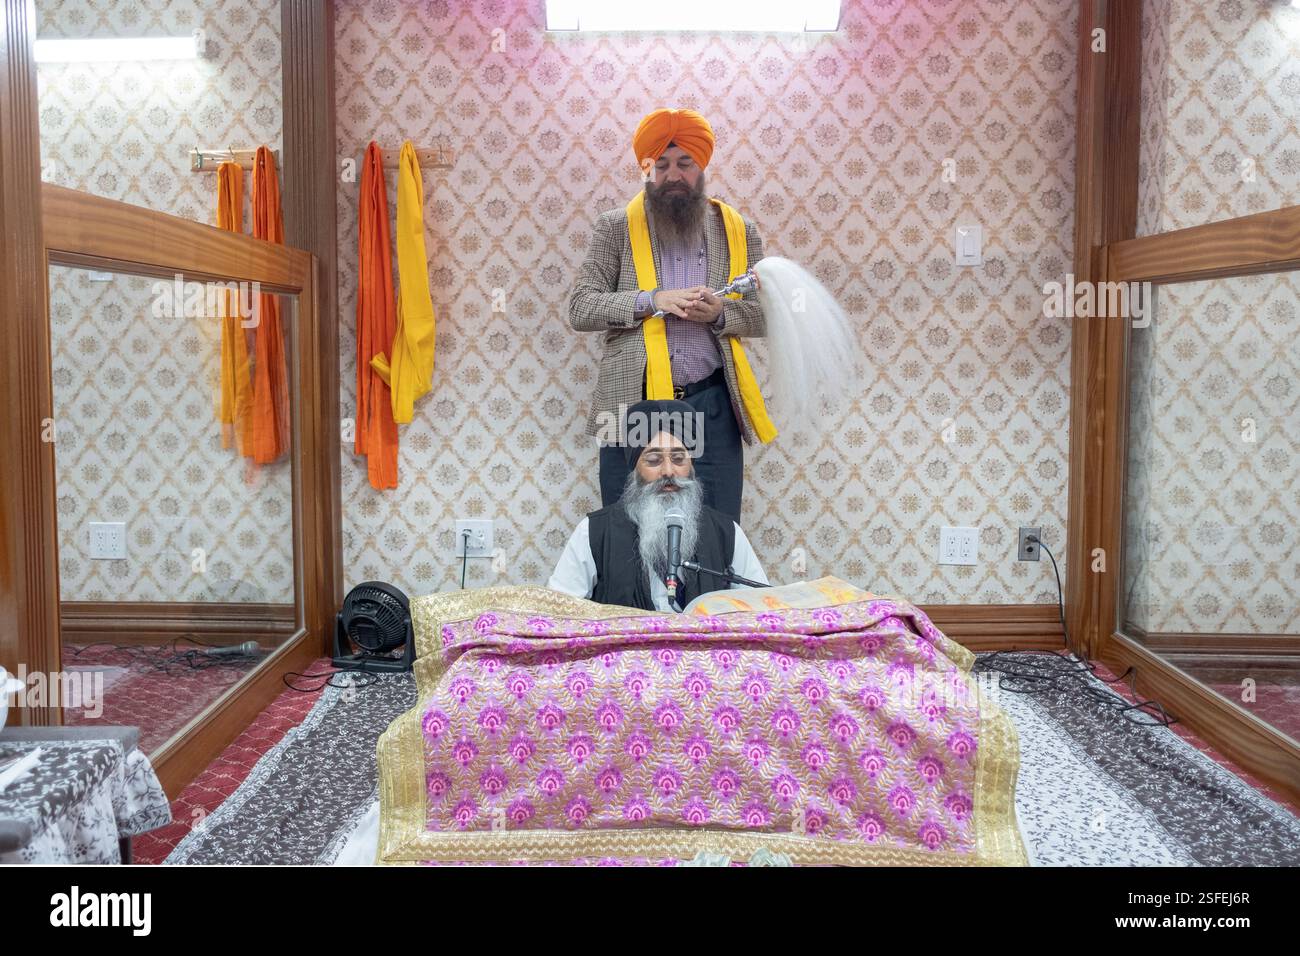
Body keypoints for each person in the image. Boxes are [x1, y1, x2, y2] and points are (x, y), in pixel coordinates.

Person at [567, 107, 777, 522]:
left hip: (712, 401)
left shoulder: (737, 229)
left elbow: (764, 316)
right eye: (659, 165)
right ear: (646, 169)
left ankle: (709, 593)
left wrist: (721, 314)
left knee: (717, 526)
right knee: (624, 525)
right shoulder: (615, 227)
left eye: (685, 164)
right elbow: (581, 307)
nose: (672, 175)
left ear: (702, 168)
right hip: (630, 401)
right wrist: (652, 300)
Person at [548, 400, 767, 612]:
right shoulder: (594, 531)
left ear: (691, 465)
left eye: (679, 459)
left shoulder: (725, 532)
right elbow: (558, 613)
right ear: (635, 469)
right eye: (654, 461)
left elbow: (760, 611)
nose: (669, 471)